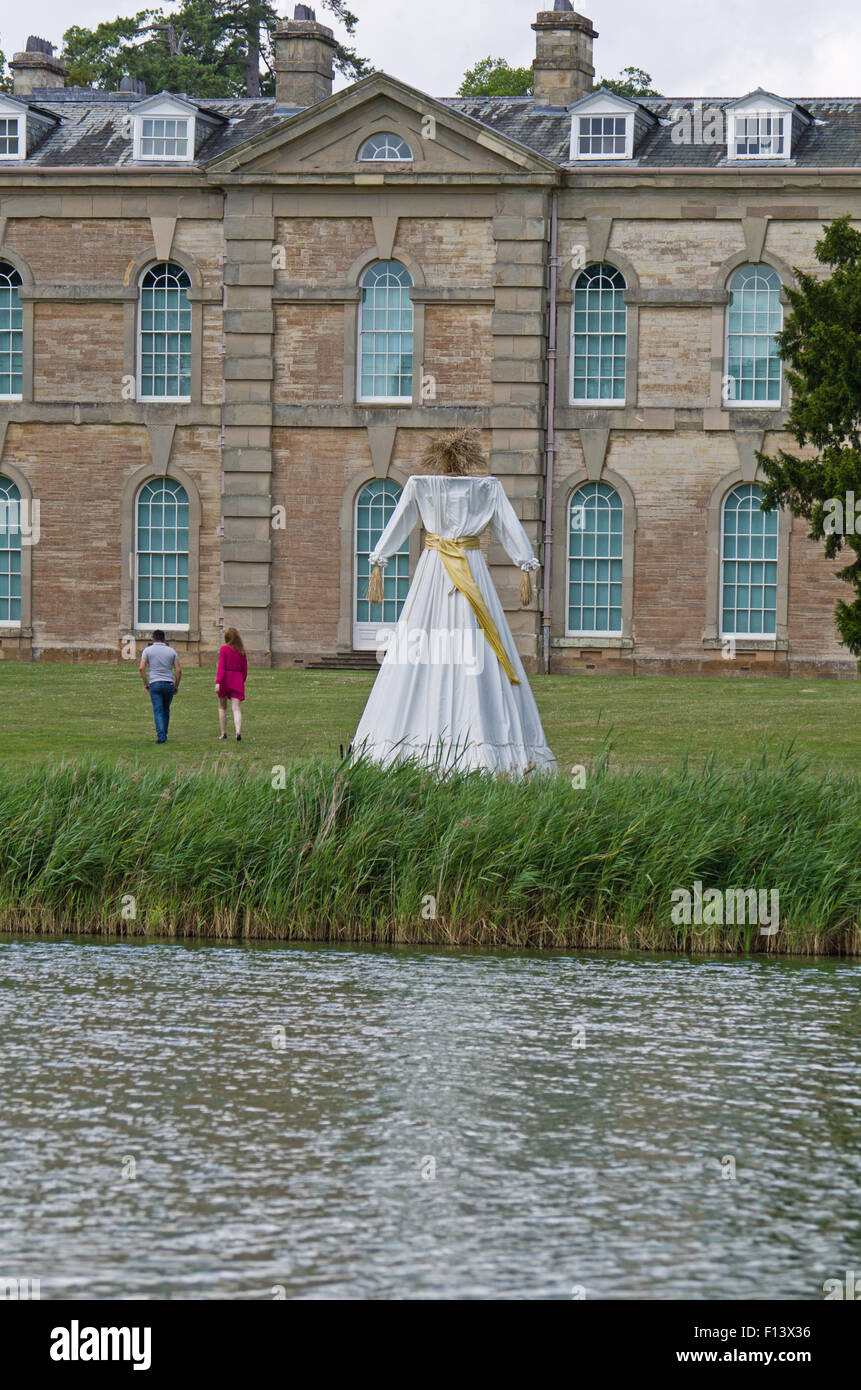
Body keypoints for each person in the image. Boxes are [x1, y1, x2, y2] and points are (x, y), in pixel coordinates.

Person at [352, 428, 556, 776]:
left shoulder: (422, 485)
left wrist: (379, 557)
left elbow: (400, 522)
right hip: (466, 566)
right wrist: (525, 561)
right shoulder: (485, 488)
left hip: (435, 569)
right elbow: (508, 527)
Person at [139, 630, 181, 744]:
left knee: (158, 710)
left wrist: (146, 683)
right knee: (166, 709)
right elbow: (178, 670)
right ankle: (164, 733)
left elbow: (142, 668)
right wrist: (176, 685)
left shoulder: (147, 650)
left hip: (155, 683)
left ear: (153, 639)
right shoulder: (171, 651)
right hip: (168, 683)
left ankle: (161, 736)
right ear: (164, 639)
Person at [215, 627, 248, 741]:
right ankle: (238, 731)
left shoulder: (224, 649)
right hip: (237, 679)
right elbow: (245, 670)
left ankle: (223, 733)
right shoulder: (242, 651)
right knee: (236, 708)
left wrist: (218, 682)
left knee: (222, 707)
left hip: (225, 679)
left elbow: (221, 667)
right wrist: (241, 680)